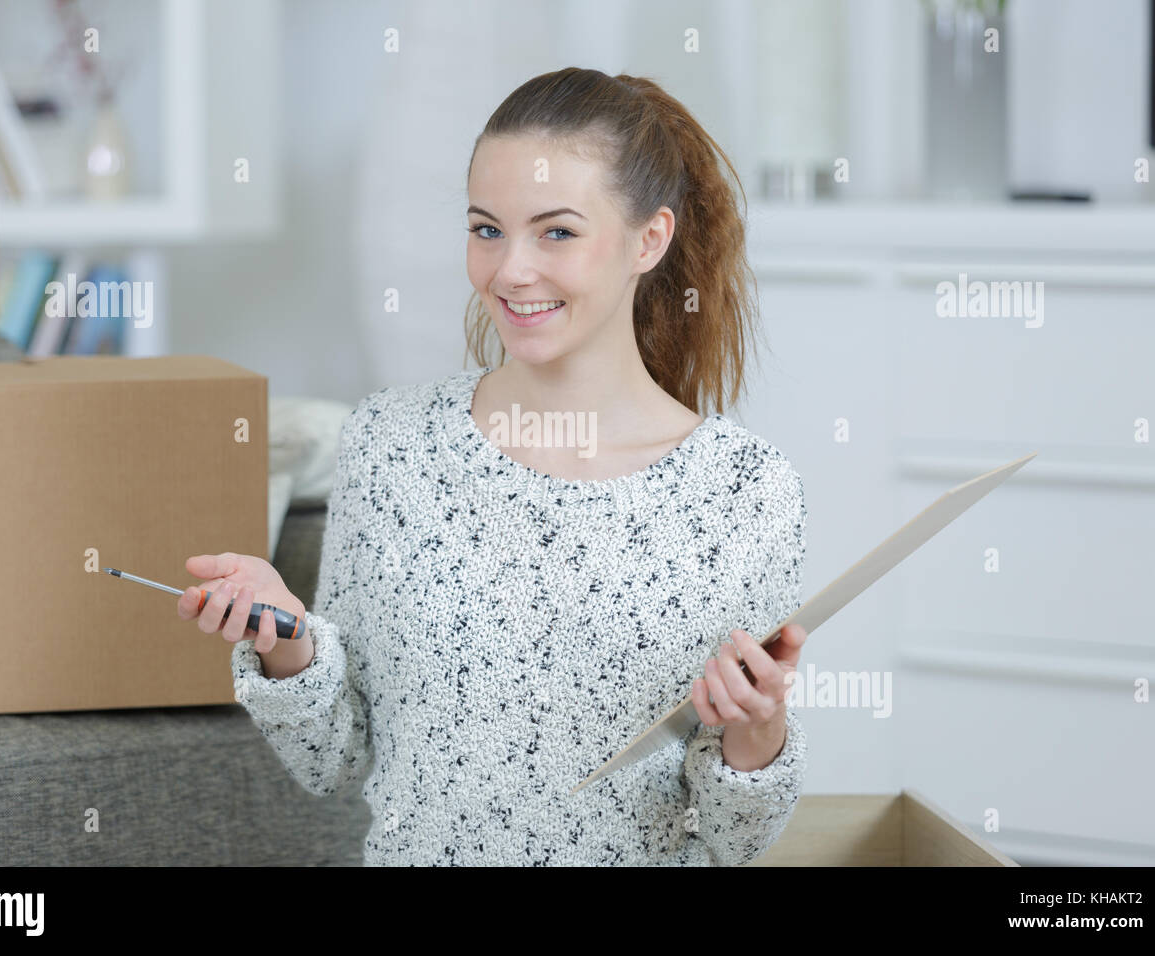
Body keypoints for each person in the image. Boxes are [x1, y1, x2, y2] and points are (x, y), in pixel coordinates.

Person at [178, 67, 809, 866]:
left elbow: (734, 839)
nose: (510, 271)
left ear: (650, 239)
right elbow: (333, 760)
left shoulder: (744, 492)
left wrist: (760, 730)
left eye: (556, 232)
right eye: (487, 230)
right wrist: (286, 640)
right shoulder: (391, 446)